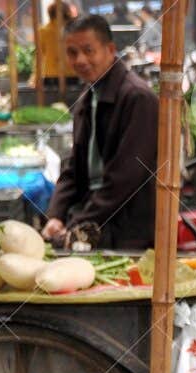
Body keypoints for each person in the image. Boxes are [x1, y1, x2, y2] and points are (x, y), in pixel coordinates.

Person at [42, 14, 156, 249]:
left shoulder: (137, 98)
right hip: (94, 219)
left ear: (110, 49)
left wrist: (78, 223)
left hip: (128, 229)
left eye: (88, 50)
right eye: (72, 53)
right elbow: (74, 168)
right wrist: (56, 215)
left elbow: (125, 177)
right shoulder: (87, 98)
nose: (80, 60)